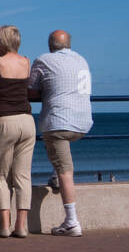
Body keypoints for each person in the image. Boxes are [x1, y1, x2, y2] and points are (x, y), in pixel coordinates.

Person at [28, 29, 93, 236]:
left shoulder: (44, 60)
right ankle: (55, 175)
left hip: (59, 122)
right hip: (82, 122)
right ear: (69, 44)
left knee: (66, 170)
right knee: (61, 160)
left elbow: (31, 90)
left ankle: (72, 221)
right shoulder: (81, 60)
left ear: (50, 45)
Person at [0, 25, 35, 238]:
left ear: (2, 42)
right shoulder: (26, 62)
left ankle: (5, 225)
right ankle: (21, 226)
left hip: (4, 121)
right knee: (23, 175)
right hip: (27, 121)